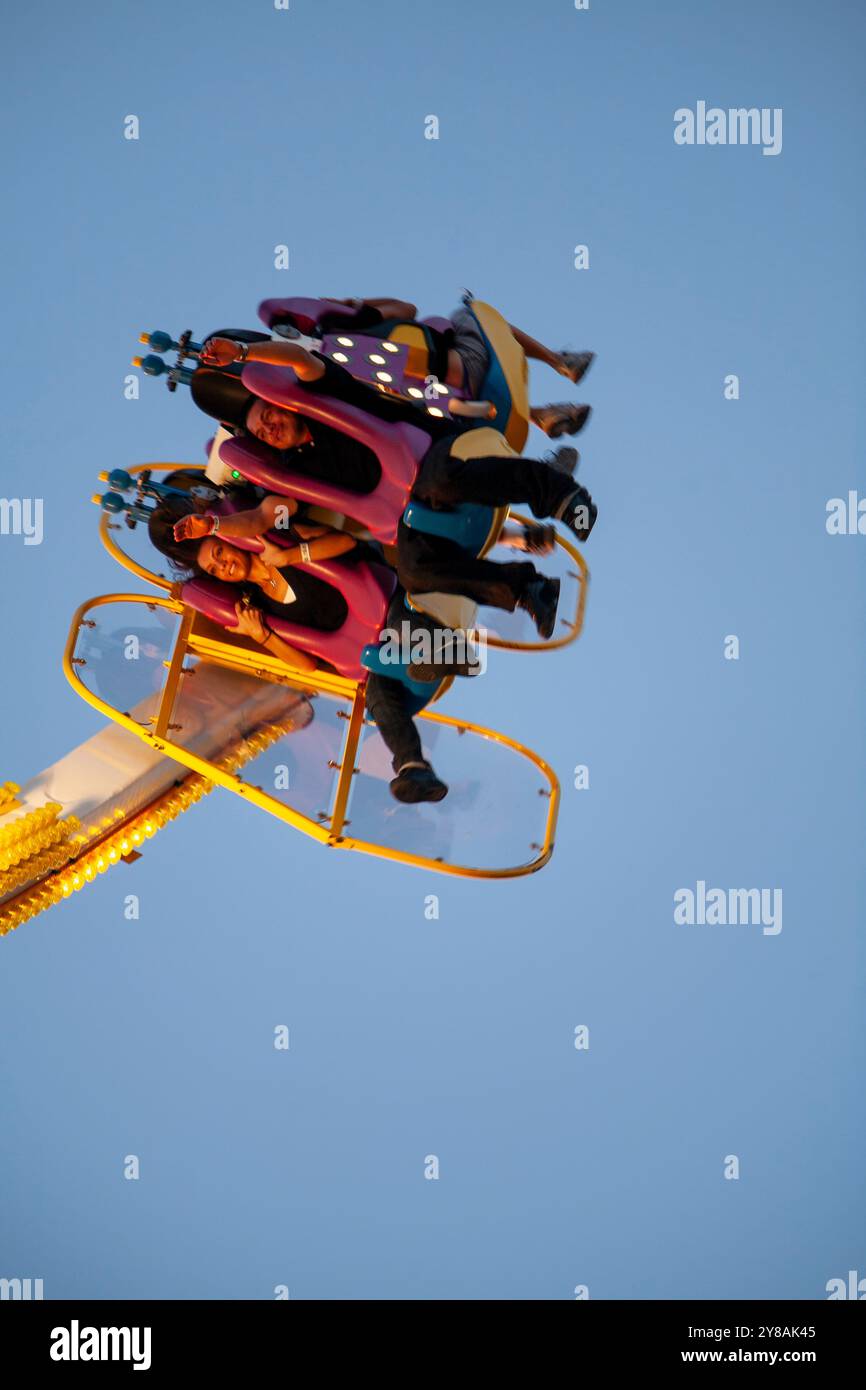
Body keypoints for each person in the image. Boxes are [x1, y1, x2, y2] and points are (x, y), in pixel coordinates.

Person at [190, 337, 597, 638]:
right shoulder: (296, 472)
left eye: (266, 413)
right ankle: (529, 589)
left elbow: (298, 358)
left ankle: (557, 491)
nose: (267, 428)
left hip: (436, 451)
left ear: (281, 401)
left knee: (438, 480)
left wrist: (243, 354)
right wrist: (213, 527)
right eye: (260, 433)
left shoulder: (323, 393)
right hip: (414, 509)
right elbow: (260, 516)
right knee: (414, 571)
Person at [148, 492, 454, 804]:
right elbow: (306, 666)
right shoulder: (256, 605)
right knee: (379, 699)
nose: (222, 565)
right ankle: (413, 768)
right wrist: (262, 635)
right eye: (213, 570)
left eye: (218, 552)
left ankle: (444, 653)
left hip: (387, 607)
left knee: (405, 627)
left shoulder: (280, 537)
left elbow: (345, 543)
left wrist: (291, 556)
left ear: (229, 541)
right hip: (369, 651)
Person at [270, 294, 595, 437]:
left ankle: (541, 416)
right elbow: (405, 307)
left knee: (432, 387)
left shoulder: (332, 383)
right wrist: (351, 304)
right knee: (470, 314)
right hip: (465, 366)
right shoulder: (350, 330)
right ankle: (560, 361)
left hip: (453, 407)